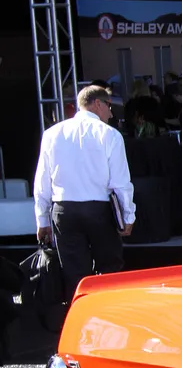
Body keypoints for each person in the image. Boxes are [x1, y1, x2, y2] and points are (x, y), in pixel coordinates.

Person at [33, 85, 135, 301]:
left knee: (74, 274)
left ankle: (80, 318)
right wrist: (128, 215)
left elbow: (42, 179)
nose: (110, 112)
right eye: (108, 106)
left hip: (64, 210)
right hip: (99, 209)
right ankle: (109, 313)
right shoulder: (110, 135)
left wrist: (41, 219)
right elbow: (120, 182)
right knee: (109, 269)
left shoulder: (52, 133)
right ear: (97, 104)